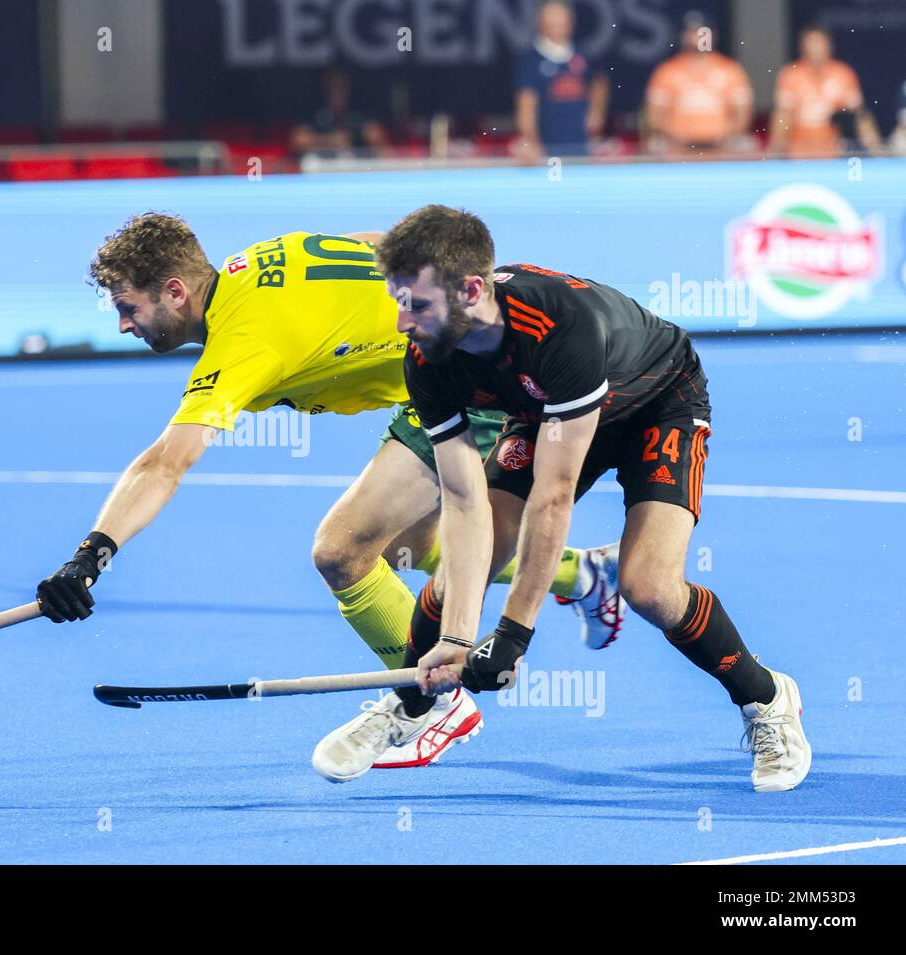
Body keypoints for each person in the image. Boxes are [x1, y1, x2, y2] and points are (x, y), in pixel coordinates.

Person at [33, 213, 624, 777]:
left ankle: (429, 702)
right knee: (409, 546)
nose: (123, 326)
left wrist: (91, 555)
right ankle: (586, 576)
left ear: (174, 290)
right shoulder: (254, 263)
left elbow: (165, 463)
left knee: (341, 550)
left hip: (466, 384)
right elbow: (379, 242)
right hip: (439, 376)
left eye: (127, 308)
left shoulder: (244, 342)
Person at [315, 204, 810, 793]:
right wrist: (455, 639)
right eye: (398, 301)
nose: (402, 322)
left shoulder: (556, 327)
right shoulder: (427, 355)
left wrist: (513, 636)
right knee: (454, 580)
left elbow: (553, 500)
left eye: (416, 303)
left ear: (471, 290)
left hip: (657, 405)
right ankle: (414, 707)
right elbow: (465, 501)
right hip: (545, 411)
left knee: (649, 587)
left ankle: (766, 697)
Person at [644, 13, 753, 157]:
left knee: (745, 146)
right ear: (683, 36)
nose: (697, 37)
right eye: (692, 32)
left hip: (721, 148)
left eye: (703, 33)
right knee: (655, 145)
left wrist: (725, 135)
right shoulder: (668, 70)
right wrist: (676, 137)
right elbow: (654, 116)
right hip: (678, 148)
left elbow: (743, 114)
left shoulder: (730, 69)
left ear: (713, 36)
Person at [513, 0, 608, 160]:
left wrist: (596, 112)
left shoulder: (582, 55)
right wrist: (531, 140)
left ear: (570, 21)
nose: (556, 22)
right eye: (551, 17)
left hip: (581, 145)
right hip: (547, 145)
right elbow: (526, 105)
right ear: (540, 21)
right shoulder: (530, 61)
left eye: (560, 17)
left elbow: (600, 82)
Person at [770, 25, 882, 158]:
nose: (816, 48)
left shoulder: (842, 73)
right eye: (811, 43)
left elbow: (860, 115)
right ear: (802, 47)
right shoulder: (791, 74)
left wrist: (876, 150)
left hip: (833, 150)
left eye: (819, 43)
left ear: (829, 46)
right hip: (798, 150)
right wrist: (775, 152)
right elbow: (783, 116)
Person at [290, 67, 388, 158]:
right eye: (333, 86)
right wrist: (329, 140)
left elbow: (377, 137)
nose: (338, 91)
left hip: (356, 169)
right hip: (321, 170)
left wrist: (365, 136)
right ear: (325, 88)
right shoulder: (314, 114)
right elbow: (299, 141)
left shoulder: (357, 115)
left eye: (342, 86)